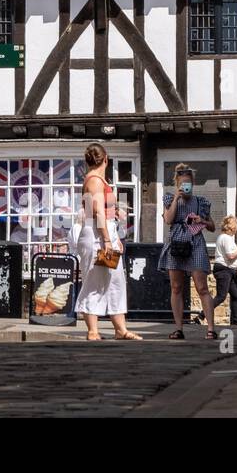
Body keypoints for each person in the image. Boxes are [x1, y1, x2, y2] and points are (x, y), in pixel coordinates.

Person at [75, 143, 141, 340]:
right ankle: (93, 331)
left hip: (104, 233)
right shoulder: (94, 180)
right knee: (95, 280)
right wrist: (106, 239)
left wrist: (114, 237)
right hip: (96, 235)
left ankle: (120, 330)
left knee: (115, 281)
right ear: (106, 159)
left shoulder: (99, 180)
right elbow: (97, 212)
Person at [159, 164, 217, 339]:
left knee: (202, 287)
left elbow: (213, 227)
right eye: (182, 184)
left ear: (193, 183)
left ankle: (211, 329)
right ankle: (179, 329)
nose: (185, 187)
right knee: (176, 287)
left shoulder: (201, 202)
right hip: (176, 243)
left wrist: (203, 221)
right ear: (177, 183)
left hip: (196, 244)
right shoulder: (170, 199)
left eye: (188, 184)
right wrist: (176, 198)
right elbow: (168, 220)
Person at [210, 215, 237, 327]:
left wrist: (236, 268)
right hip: (224, 270)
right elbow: (230, 256)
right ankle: (203, 314)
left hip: (229, 270)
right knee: (221, 296)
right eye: (236, 226)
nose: (236, 229)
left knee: (236, 294)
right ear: (232, 227)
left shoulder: (225, 238)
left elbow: (230, 258)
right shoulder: (226, 238)